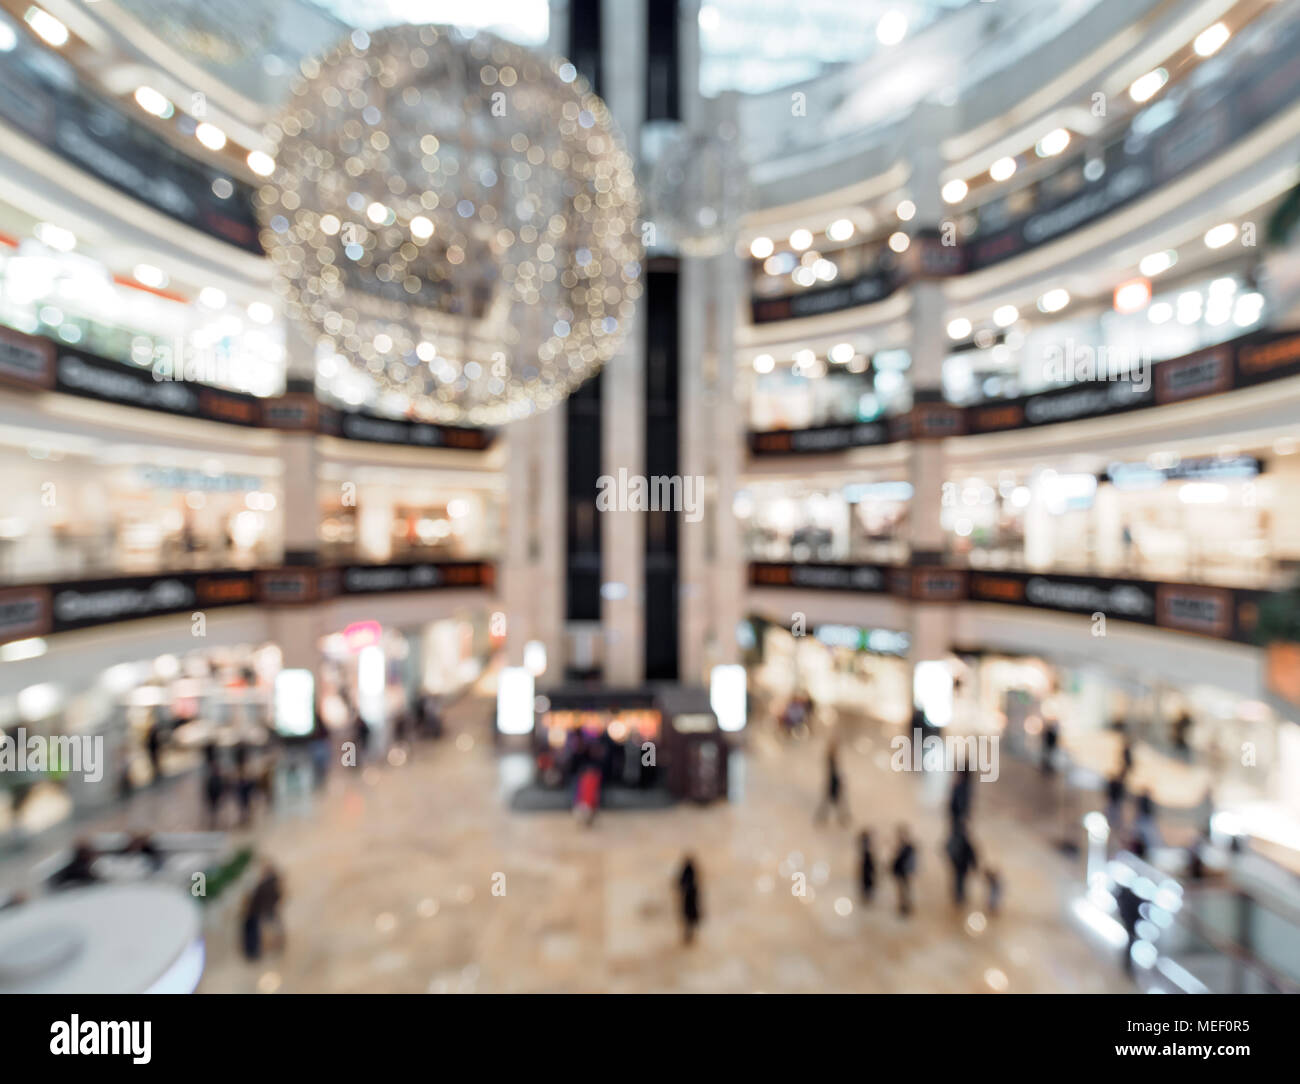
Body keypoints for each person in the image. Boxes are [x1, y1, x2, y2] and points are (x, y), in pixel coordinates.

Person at [241, 862, 285, 961]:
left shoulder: (264, 885)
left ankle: (254, 952)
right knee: (273, 928)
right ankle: (276, 945)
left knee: (263, 931)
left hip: (259, 912)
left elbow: (255, 899)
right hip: (266, 910)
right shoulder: (272, 883)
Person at [814, 743, 849, 826]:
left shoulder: (832, 762)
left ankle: (841, 820)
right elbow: (833, 775)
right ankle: (841, 820)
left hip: (833, 785)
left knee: (831, 805)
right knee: (831, 805)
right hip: (833, 785)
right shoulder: (832, 762)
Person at [945, 823, 979, 905]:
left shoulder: (960, 841)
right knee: (959, 880)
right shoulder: (959, 841)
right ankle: (959, 895)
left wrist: (974, 864)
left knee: (960, 880)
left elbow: (972, 854)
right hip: (959, 865)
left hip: (961, 865)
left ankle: (959, 895)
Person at [891, 825, 917, 917]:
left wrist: (911, 871)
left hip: (905, 872)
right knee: (901, 890)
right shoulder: (899, 846)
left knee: (906, 890)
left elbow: (912, 861)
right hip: (899, 872)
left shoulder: (910, 847)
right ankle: (902, 906)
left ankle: (906, 906)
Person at [677, 855, 702, 945]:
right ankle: (688, 936)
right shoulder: (689, 875)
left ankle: (689, 936)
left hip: (689, 901)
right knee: (688, 921)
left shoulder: (690, 875)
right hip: (688, 901)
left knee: (689, 921)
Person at [201, 743, 225, 829]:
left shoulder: (216, 777)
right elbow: (208, 788)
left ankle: (214, 821)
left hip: (215, 794)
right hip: (213, 794)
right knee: (213, 809)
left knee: (215, 809)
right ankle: (214, 821)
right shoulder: (211, 777)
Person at [857, 830, 876, 902]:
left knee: (868, 885)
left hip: (867, 870)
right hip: (867, 870)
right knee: (867, 884)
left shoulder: (866, 851)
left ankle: (868, 897)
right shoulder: (866, 851)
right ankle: (867, 897)